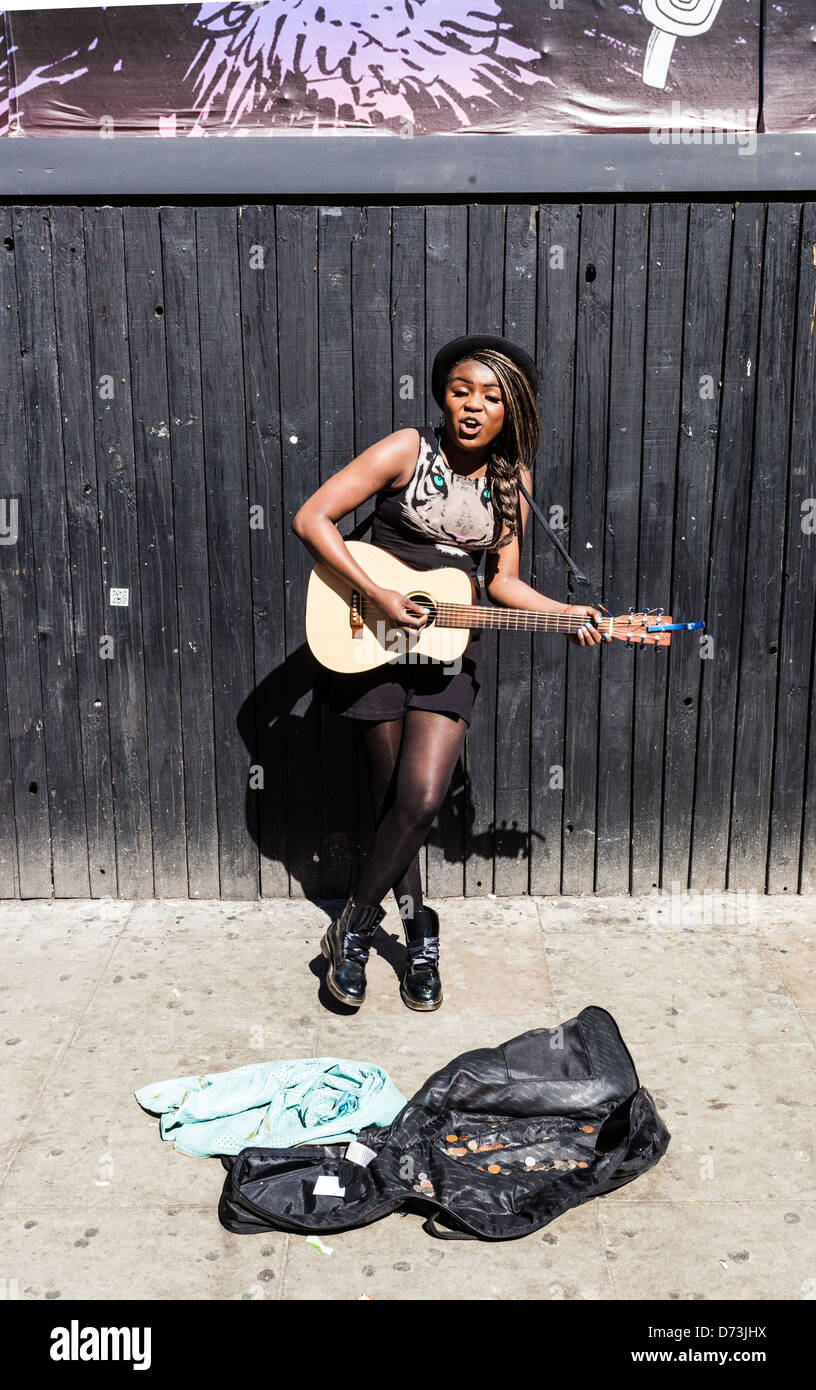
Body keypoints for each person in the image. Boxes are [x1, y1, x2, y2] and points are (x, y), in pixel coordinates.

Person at [292, 334, 604, 1013]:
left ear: (510, 408)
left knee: (422, 797)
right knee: (391, 802)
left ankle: (350, 927)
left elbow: (507, 583)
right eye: (462, 390)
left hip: (450, 651)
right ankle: (417, 934)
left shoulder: (512, 482)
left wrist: (568, 612)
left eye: (491, 398)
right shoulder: (407, 449)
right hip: (371, 640)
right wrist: (374, 593)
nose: (473, 406)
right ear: (443, 395)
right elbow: (311, 518)